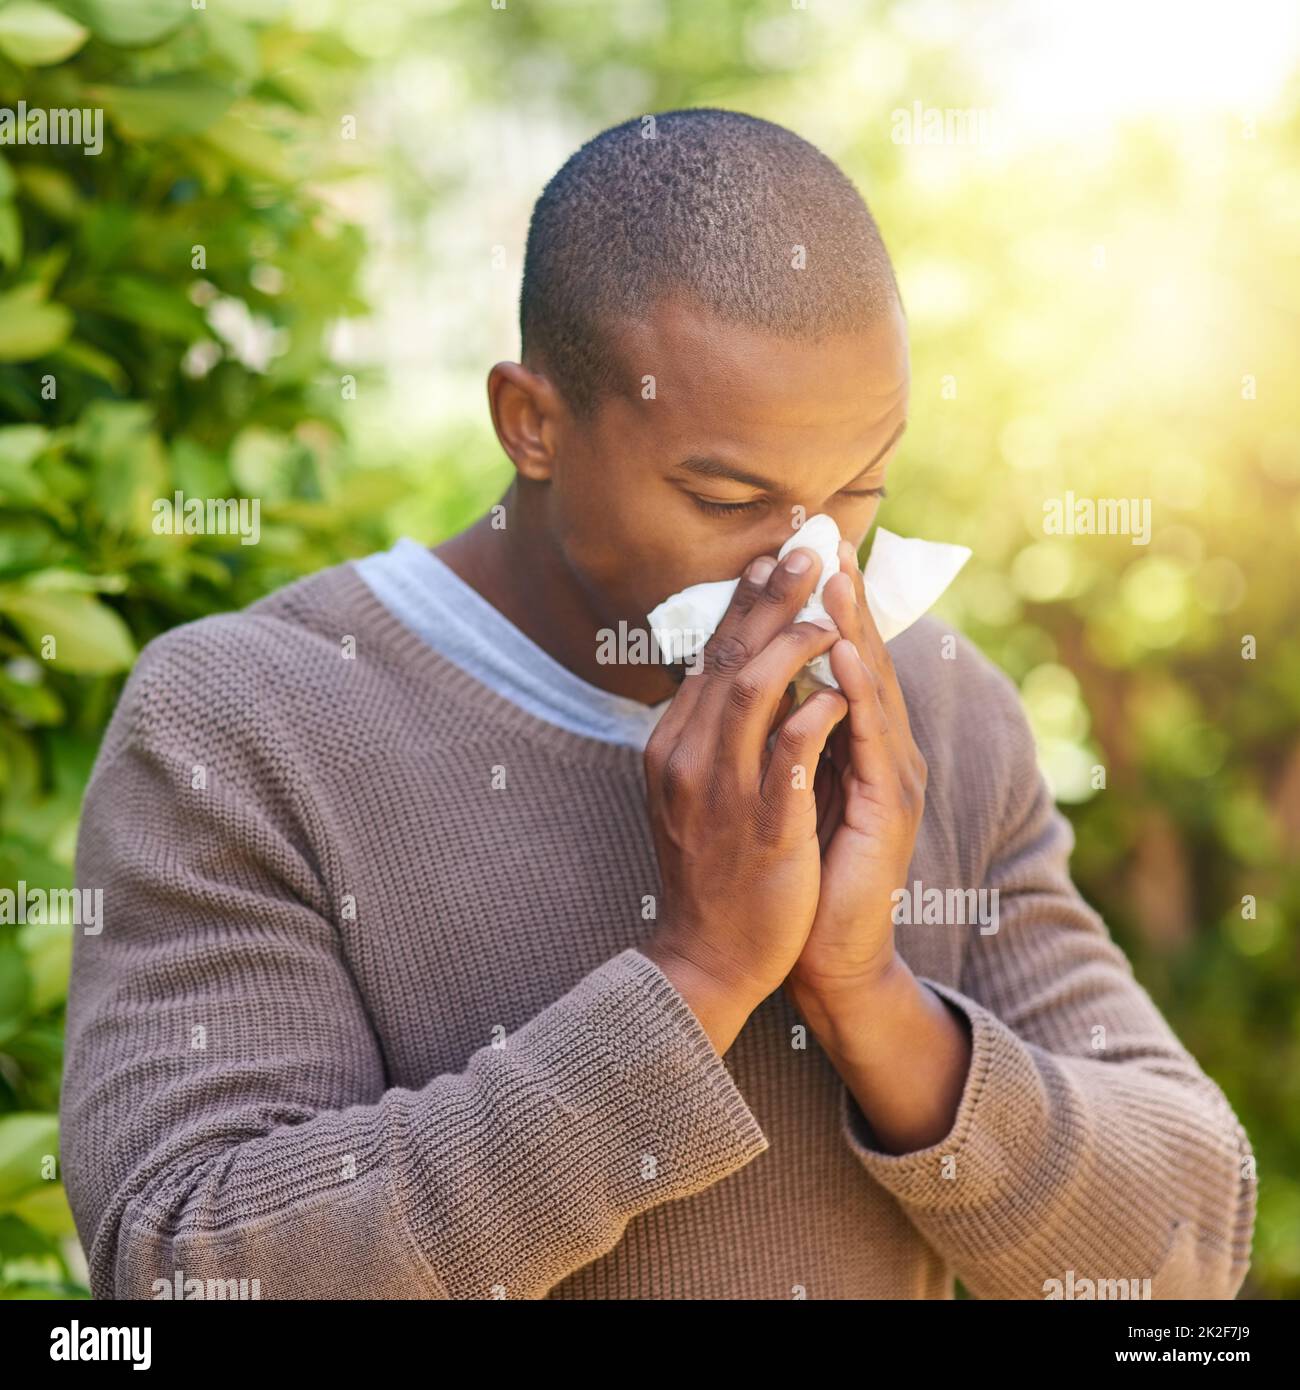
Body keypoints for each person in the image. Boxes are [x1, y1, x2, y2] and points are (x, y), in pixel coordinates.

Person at [60, 108, 1255, 1300]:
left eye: (859, 487)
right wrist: (700, 974)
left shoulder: (935, 713)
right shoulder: (243, 722)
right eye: (728, 497)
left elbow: (1184, 1253)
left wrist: (870, 1000)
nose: (806, 565)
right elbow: (186, 1269)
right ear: (531, 422)